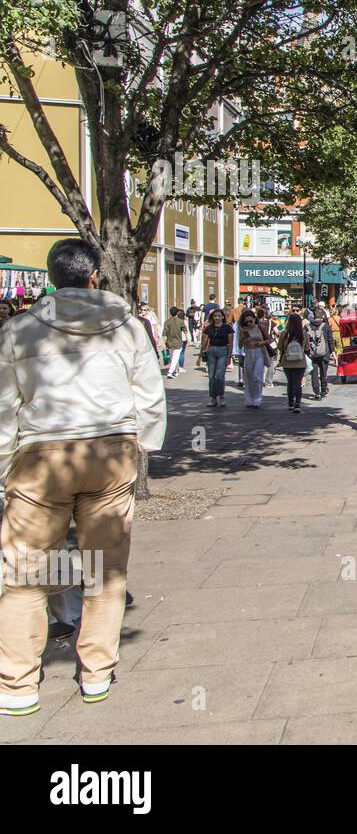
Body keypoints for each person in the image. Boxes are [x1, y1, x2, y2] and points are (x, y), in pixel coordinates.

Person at [0, 238, 166, 713]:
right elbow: (149, 395)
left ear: (52, 279)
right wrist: (143, 448)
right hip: (110, 452)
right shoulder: (127, 328)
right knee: (105, 569)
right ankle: (96, 672)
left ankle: (17, 685)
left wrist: (3, 468)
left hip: (41, 455)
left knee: (23, 574)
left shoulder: (18, 331)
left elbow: (3, 409)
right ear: (94, 275)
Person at [200, 307, 233, 407]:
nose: (217, 318)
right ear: (212, 317)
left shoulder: (227, 327)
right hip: (211, 350)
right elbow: (205, 341)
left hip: (223, 350)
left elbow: (231, 342)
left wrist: (229, 355)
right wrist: (200, 355)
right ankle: (213, 397)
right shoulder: (209, 328)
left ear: (223, 317)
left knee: (219, 375)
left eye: (219, 316)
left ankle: (221, 396)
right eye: (215, 316)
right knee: (211, 376)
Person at [277, 313, 309, 413]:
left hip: (287, 361)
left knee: (290, 382)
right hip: (300, 362)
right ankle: (298, 404)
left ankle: (290, 403)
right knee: (298, 383)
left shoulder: (284, 334)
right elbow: (307, 348)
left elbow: (279, 347)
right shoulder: (304, 334)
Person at [238, 311, 269, 409]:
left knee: (257, 376)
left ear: (255, 319)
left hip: (259, 352)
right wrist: (244, 336)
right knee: (248, 377)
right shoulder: (244, 330)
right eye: (246, 322)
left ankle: (257, 399)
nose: (249, 324)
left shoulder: (260, 328)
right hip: (248, 352)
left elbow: (270, 339)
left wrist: (261, 343)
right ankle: (249, 399)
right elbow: (240, 345)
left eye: (250, 321)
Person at [307, 305, 335, 400]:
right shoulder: (325, 326)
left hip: (312, 354)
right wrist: (333, 353)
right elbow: (330, 340)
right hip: (324, 353)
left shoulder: (307, 327)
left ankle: (316, 393)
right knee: (323, 372)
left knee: (314, 373)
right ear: (322, 316)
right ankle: (323, 389)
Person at [163, 305, 187, 378]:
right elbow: (185, 330)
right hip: (178, 342)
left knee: (172, 357)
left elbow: (164, 333)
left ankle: (175, 371)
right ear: (177, 313)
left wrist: (164, 343)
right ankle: (170, 372)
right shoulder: (180, 321)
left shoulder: (167, 322)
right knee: (175, 357)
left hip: (169, 342)